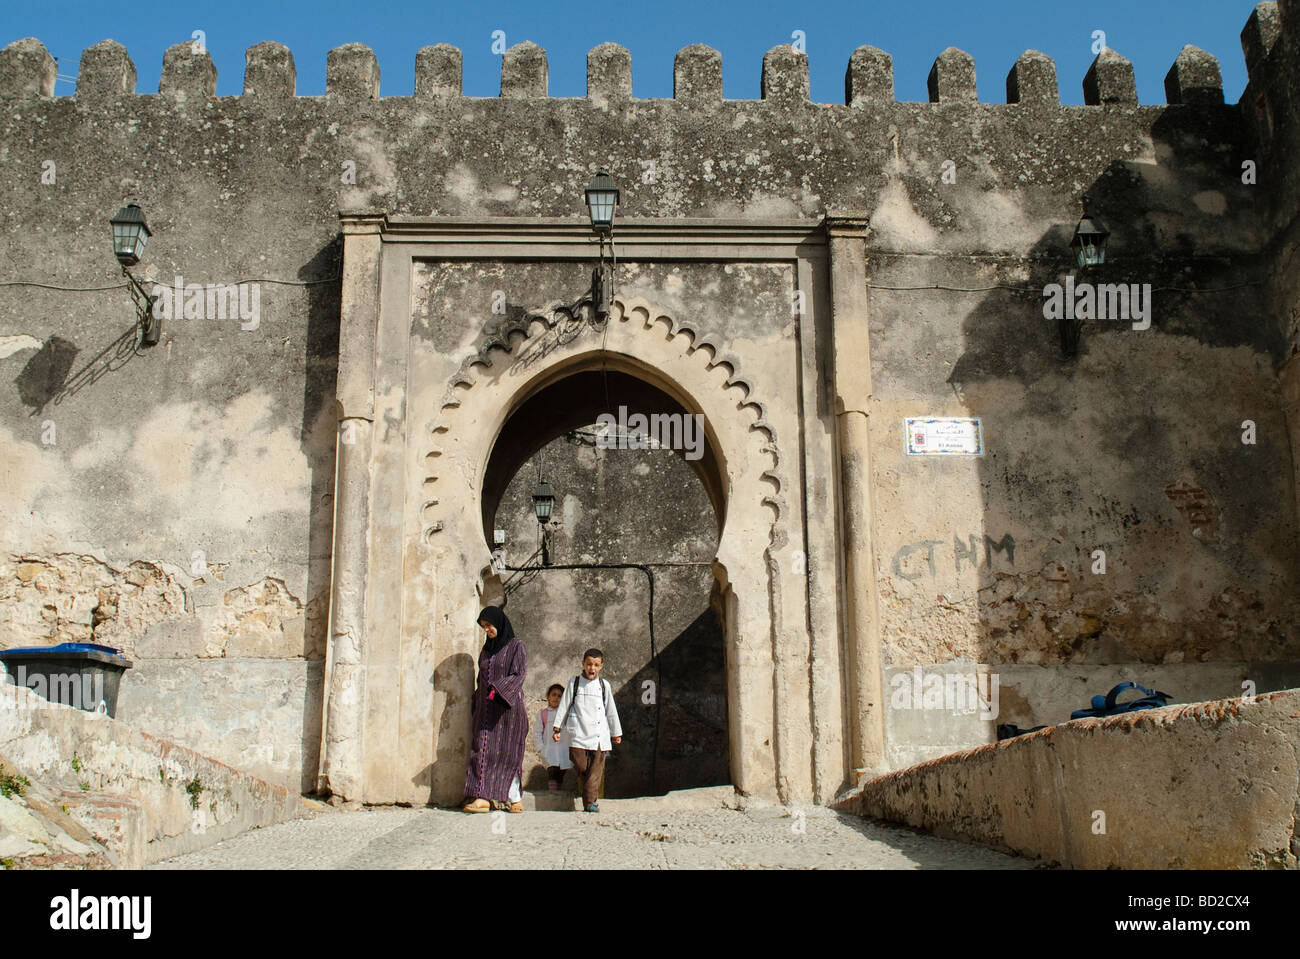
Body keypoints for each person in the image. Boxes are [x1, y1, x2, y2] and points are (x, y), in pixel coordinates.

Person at [463, 606, 528, 814]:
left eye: (489, 625)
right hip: (486, 712)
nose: (487, 630)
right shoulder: (486, 649)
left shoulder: (517, 646)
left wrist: (498, 688)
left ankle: (514, 798)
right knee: (482, 750)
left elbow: (519, 674)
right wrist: (477, 701)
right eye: (483, 627)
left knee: (507, 754)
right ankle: (482, 797)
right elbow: (480, 678)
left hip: (508, 711)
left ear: (499, 623)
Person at [551, 648, 622, 813]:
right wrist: (557, 728)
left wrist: (615, 733)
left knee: (595, 770)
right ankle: (590, 798)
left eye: (596, 665)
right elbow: (564, 705)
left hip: (599, 735)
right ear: (583, 664)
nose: (592, 668)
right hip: (578, 734)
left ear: (601, 666)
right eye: (589, 664)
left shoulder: (604, 686)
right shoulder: (574, 683)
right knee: (583, 767)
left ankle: (590, 803)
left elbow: (610, 710)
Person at [535, 683, 572, 790]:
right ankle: (553, 794)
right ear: (548, 697)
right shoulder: (543, 714)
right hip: (549, 750)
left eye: (559, 696)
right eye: (553, 695)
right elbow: (537, 732)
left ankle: (557, 794)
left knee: (561, 773)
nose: (556, 698)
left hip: (563, 750)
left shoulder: (566, 714)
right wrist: (540, 748)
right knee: (552, 772)